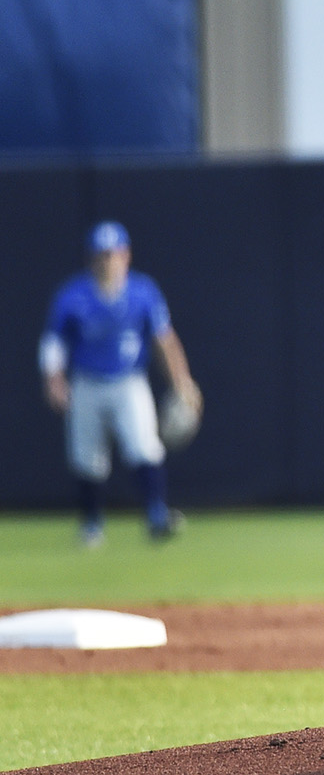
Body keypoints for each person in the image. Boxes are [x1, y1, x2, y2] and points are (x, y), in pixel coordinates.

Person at [40, 221, 201, 546]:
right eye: (101, 255)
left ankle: (157, 515)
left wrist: (182, 381)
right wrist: (54, 379)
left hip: (128, 381)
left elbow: (164, 341)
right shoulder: (72, 295)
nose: (107, 261)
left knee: (144, 446)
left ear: (126, 255)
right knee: (86, 457)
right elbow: (54, 343)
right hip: (87, 382)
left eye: (113, 254)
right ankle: (91, 525)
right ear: (91, 258)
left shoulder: (143, 292)